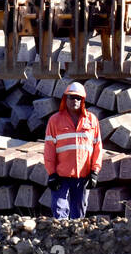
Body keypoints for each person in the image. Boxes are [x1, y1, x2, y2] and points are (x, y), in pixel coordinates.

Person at [43, 82, 103, 219]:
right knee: (59, 210)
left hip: (83, 175)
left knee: (79, 212)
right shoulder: (55, 120)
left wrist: (94, 172)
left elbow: (97, 147)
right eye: (71, 97)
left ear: (83, 100)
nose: (74, 100)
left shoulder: (92, 120)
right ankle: (60, 237)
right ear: (65, 99)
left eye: (78, 98)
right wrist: (51, 174)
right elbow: (49, 149)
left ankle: (76, 238)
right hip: (60, 175)